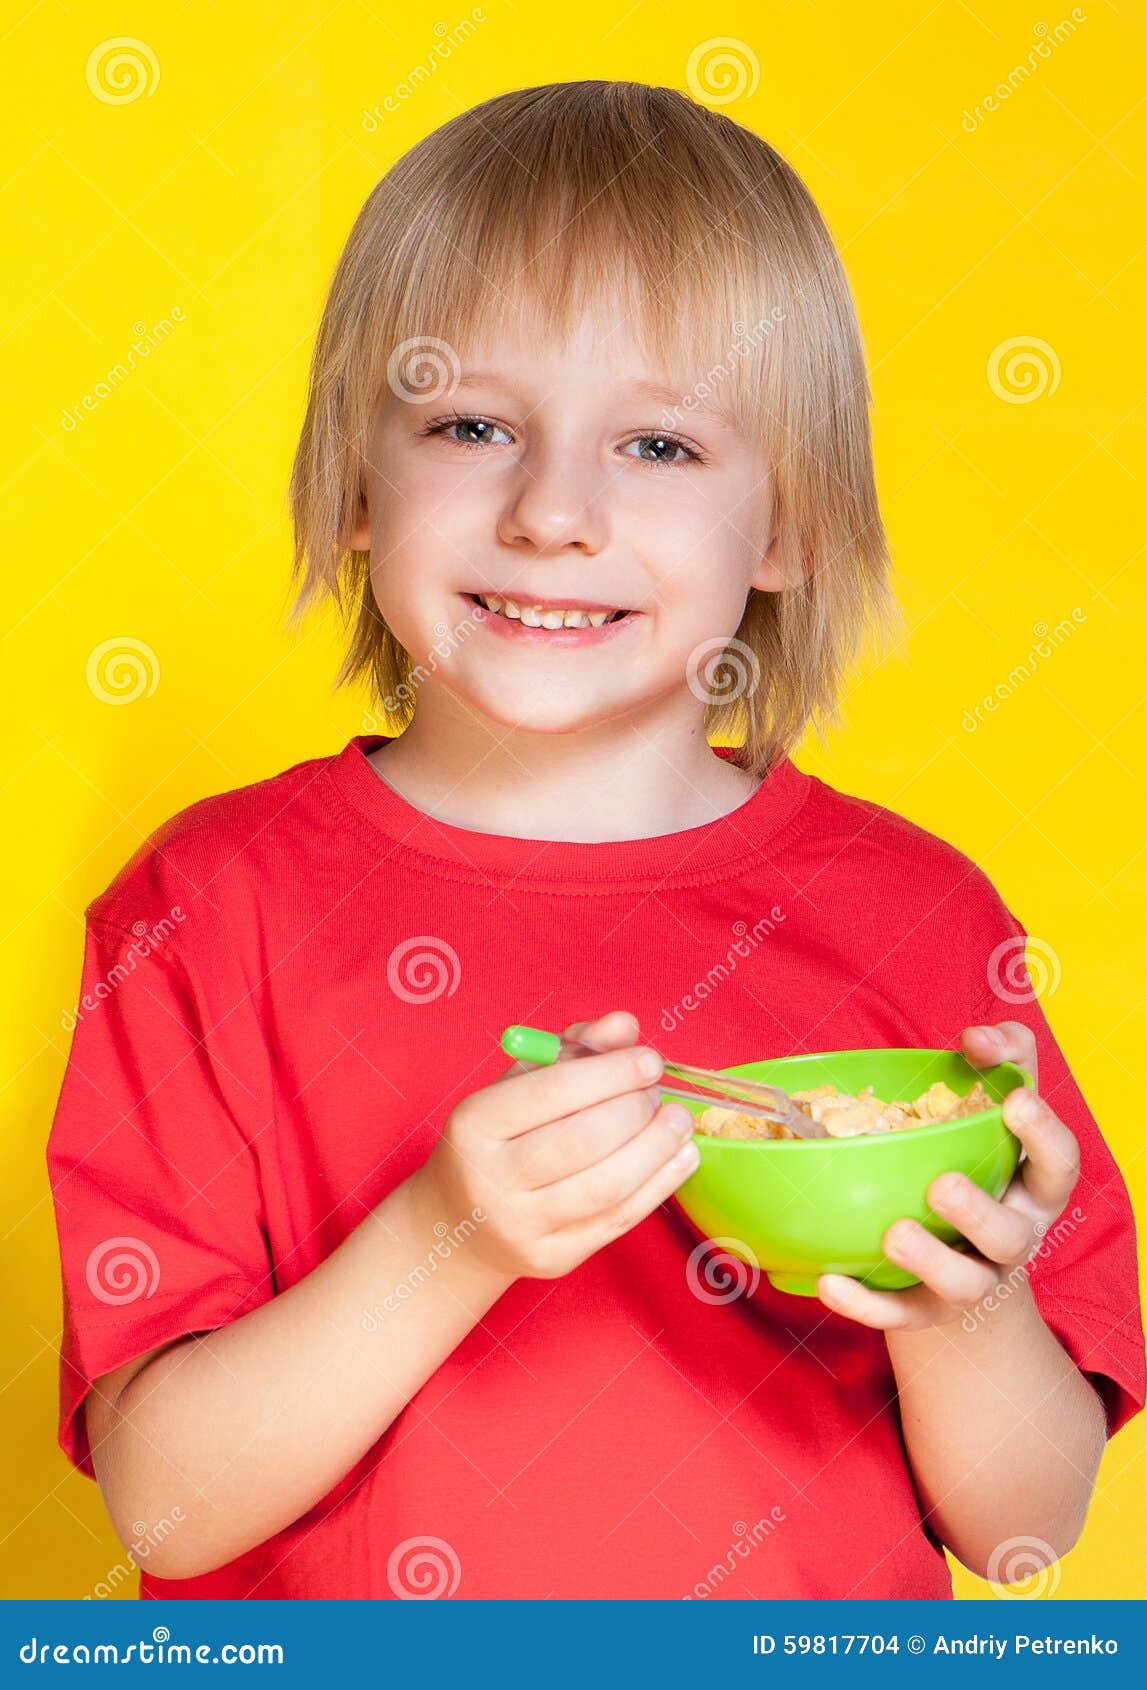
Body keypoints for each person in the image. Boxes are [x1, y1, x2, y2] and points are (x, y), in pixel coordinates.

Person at [46, 80, 1144, 1601]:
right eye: (472, 422)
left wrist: (961, 1303)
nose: (553, 512)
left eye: (662, 448)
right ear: (359, 476)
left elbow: (1031, 1525)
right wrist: (451, 1236)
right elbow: (162, 1512)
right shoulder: (205, 906)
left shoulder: (920, 915)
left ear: (786, 528)